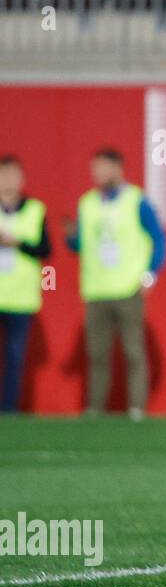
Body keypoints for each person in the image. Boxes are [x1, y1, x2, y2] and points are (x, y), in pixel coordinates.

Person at [64, 148, 166, 420]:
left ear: (118, 168)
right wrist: (71, 238)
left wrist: (150, 274)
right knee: (97, 354)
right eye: (94, 168)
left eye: (103, 168)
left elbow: (159, 238)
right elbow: (83, 245)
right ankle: (95, 410)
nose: (98, 174)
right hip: (96, 290)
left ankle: (136, 410)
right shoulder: (87, 203)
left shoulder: (136, 201)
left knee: (133, 351)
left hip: (127, 289)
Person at [0, 155, 52, 413]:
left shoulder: (35, 210)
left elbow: (45, 249)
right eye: (4, 175)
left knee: (14, 358)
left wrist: (18, 243)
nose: (9, 181)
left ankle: (9, 410)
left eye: (13, 175)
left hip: (21, 298)